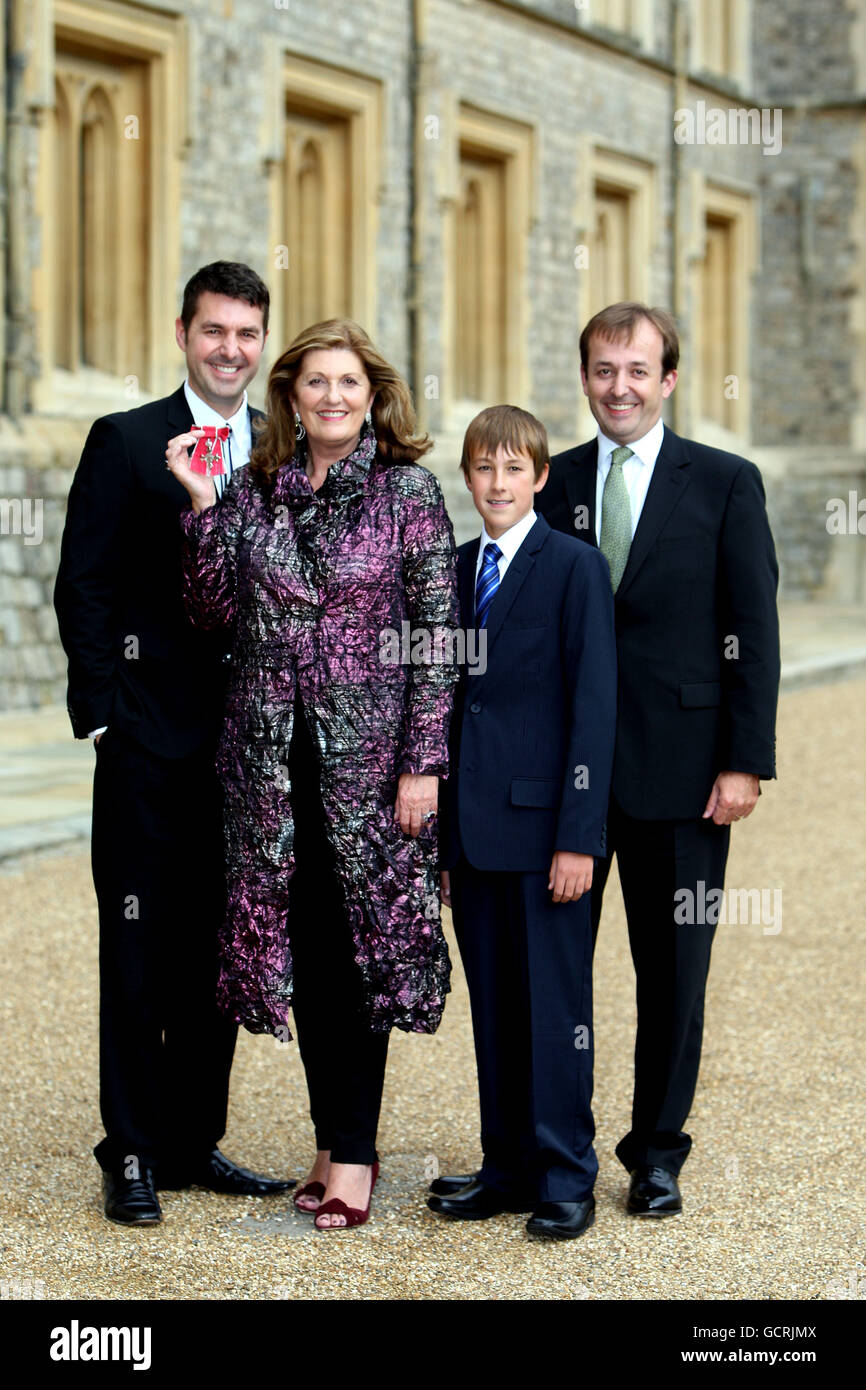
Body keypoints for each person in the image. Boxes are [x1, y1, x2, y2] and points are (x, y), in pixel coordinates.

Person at [166, 317, 460, 1231]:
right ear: (290, 395)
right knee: (301, 959)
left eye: (349, 383)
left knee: (355, 960)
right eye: (316, 383)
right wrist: (202, 507)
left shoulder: (407, 490)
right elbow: (211, 613)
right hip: (268, 771)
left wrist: (423, 766)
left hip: (369, 773)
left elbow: (438, 640)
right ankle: (330, 1144)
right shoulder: (253, 492)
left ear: (373, 396)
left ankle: (358, 1159)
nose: (333, 397)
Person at [54, 261, 293, 1225]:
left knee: (218, 950)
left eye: (246, 334)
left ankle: (193, 1139)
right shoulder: (124, 442)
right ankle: (134, 1149)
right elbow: (86, 585)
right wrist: (109, 711)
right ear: (183, 333)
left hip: (252, 751)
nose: (230, 349)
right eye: (214, 331)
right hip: (150, 742)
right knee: (140, 947)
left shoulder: (280, 451)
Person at [536, 301, 780, 1216]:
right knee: (555, 970)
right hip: (563, 779)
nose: (620, 387)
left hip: (685, 775)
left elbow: (752, 631)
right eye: (604, 370)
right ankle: (557, 1147)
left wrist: (744, 760)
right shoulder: (550, 482)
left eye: (638, 370)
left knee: (675, 972)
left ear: (669, 379)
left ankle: (657, 1151)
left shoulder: (724, 482)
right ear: (586, 376)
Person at [428, 405, 617, 1240]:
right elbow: (449, 707)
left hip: (549, 837)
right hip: (473, 836)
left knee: (554, 1007)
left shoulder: (575, 567)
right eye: (482, 469)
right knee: (498, 1007)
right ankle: (505, 1166)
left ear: (541, 477)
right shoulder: (459, 567)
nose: (497, 484)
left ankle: (565, 1172)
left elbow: (594, 705)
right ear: (466, 478)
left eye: (514, 469)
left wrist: (580, 835)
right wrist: (441, 840)